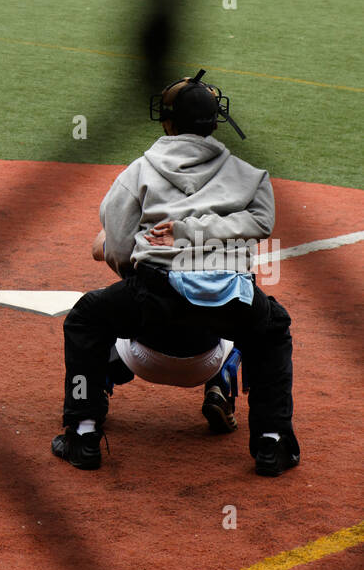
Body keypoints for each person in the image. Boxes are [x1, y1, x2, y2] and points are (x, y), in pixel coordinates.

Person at [52, 70, 300, 478]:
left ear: (167, 121)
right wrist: (206, 236)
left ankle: (84, 433)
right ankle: (273, 442)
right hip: (230, 300)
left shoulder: (138, 171)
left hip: (157, 297)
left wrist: (143, 267)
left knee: (86, 317)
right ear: (216, 121)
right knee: (272, 329)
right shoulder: (250, 174)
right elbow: (263, 221)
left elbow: (115, 246)